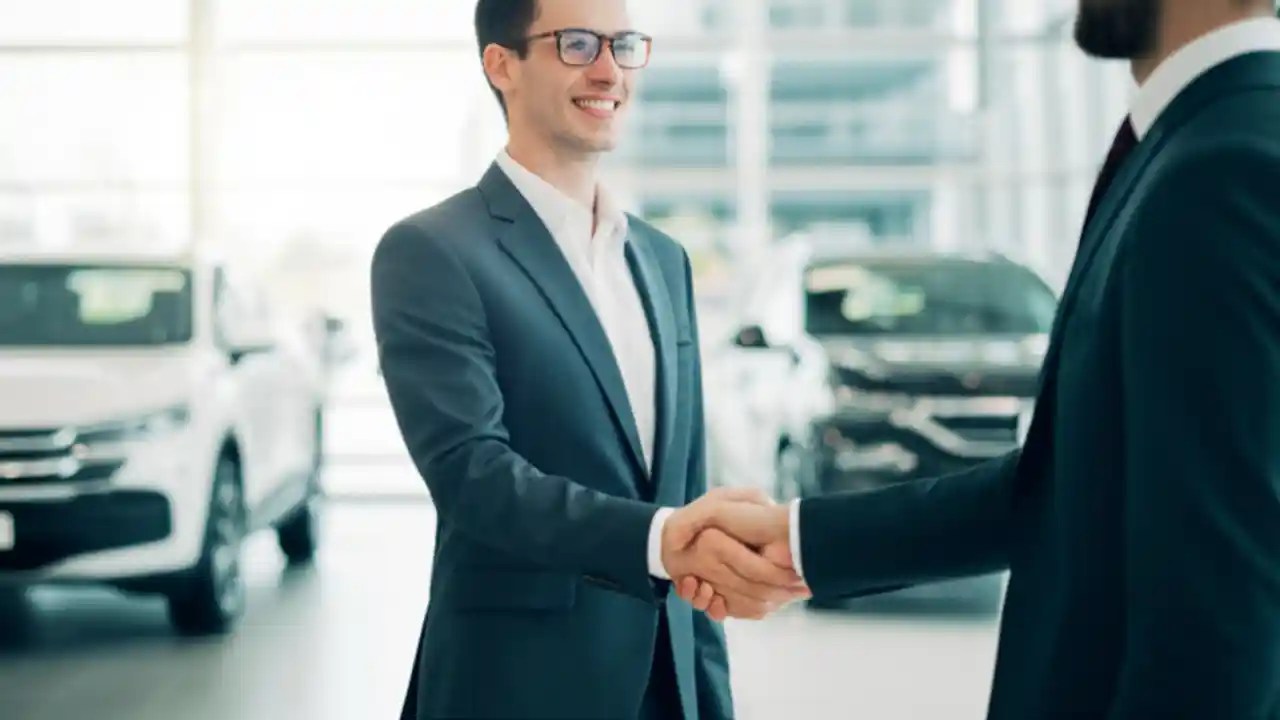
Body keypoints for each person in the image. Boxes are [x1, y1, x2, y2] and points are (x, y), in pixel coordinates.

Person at [677, 0, 1280, 717]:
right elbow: (1072, 484)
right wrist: (804, 541)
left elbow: (1222, 607)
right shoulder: (1197, 141)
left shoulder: (1222, 167)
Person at [370, 0, 806, 717]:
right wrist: (661, 541)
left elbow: (685, 488)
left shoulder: (664, 262)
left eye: (624, 44)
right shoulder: (434, 252)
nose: (608, 70)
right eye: (576, 44)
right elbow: (473, 477)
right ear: (501, 64)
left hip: (666, 687)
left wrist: (709, 697)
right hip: (518, 686)